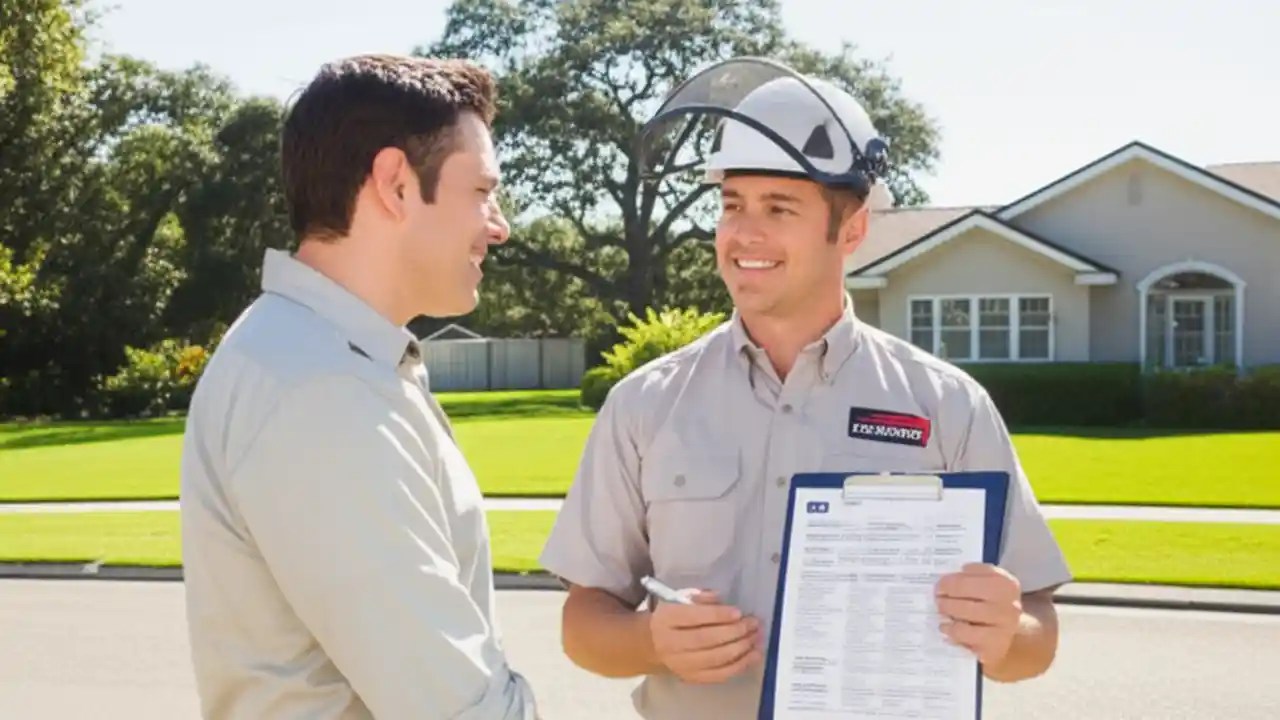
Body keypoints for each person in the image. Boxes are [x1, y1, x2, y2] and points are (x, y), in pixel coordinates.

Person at [538, 60, 1072, 719]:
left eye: (778, 208)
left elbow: (1037, 634)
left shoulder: (946, 406)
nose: (744, 234)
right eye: (732, 206)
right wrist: (650, 639)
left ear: (850, 230)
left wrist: (1005, 634)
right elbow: (583, 623)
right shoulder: (645, 405)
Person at [179, 54, 540, 719]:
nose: (498, 224)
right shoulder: (320, 389)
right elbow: (456, 708)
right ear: (395, 184)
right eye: (482, 191)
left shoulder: (322, 357)